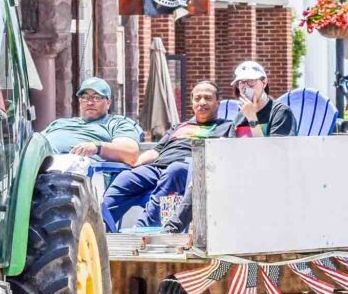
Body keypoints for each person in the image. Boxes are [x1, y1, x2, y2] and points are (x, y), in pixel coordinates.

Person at [101, 80, 226, 232]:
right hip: (157, 168)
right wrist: (135, 163)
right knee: (126, 177)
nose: (202, 102)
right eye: (197, 98)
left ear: (218, 102)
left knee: (174, 171)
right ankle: (101, 227)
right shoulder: (179, 127)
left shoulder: (225, 127)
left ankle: (143, 231)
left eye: (208, 98)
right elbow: (156, 151)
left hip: (188, 170)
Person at [40, 78, 141, 164]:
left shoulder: (117, 123)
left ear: (108, 103)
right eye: (85, 97)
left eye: (96, 98)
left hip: (76, 171)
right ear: (80, 101)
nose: (90, 102)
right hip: (38, 165)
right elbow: (35, 143)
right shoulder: (59, 123)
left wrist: (97, 147)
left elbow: (130, 153)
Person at [228, 60, 295, 138]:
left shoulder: (280, 112)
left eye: (251, 81)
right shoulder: (239, 117)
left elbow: (276, 149)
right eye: (241, 82)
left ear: (264, 82)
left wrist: (252, 119)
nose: (246, 87)